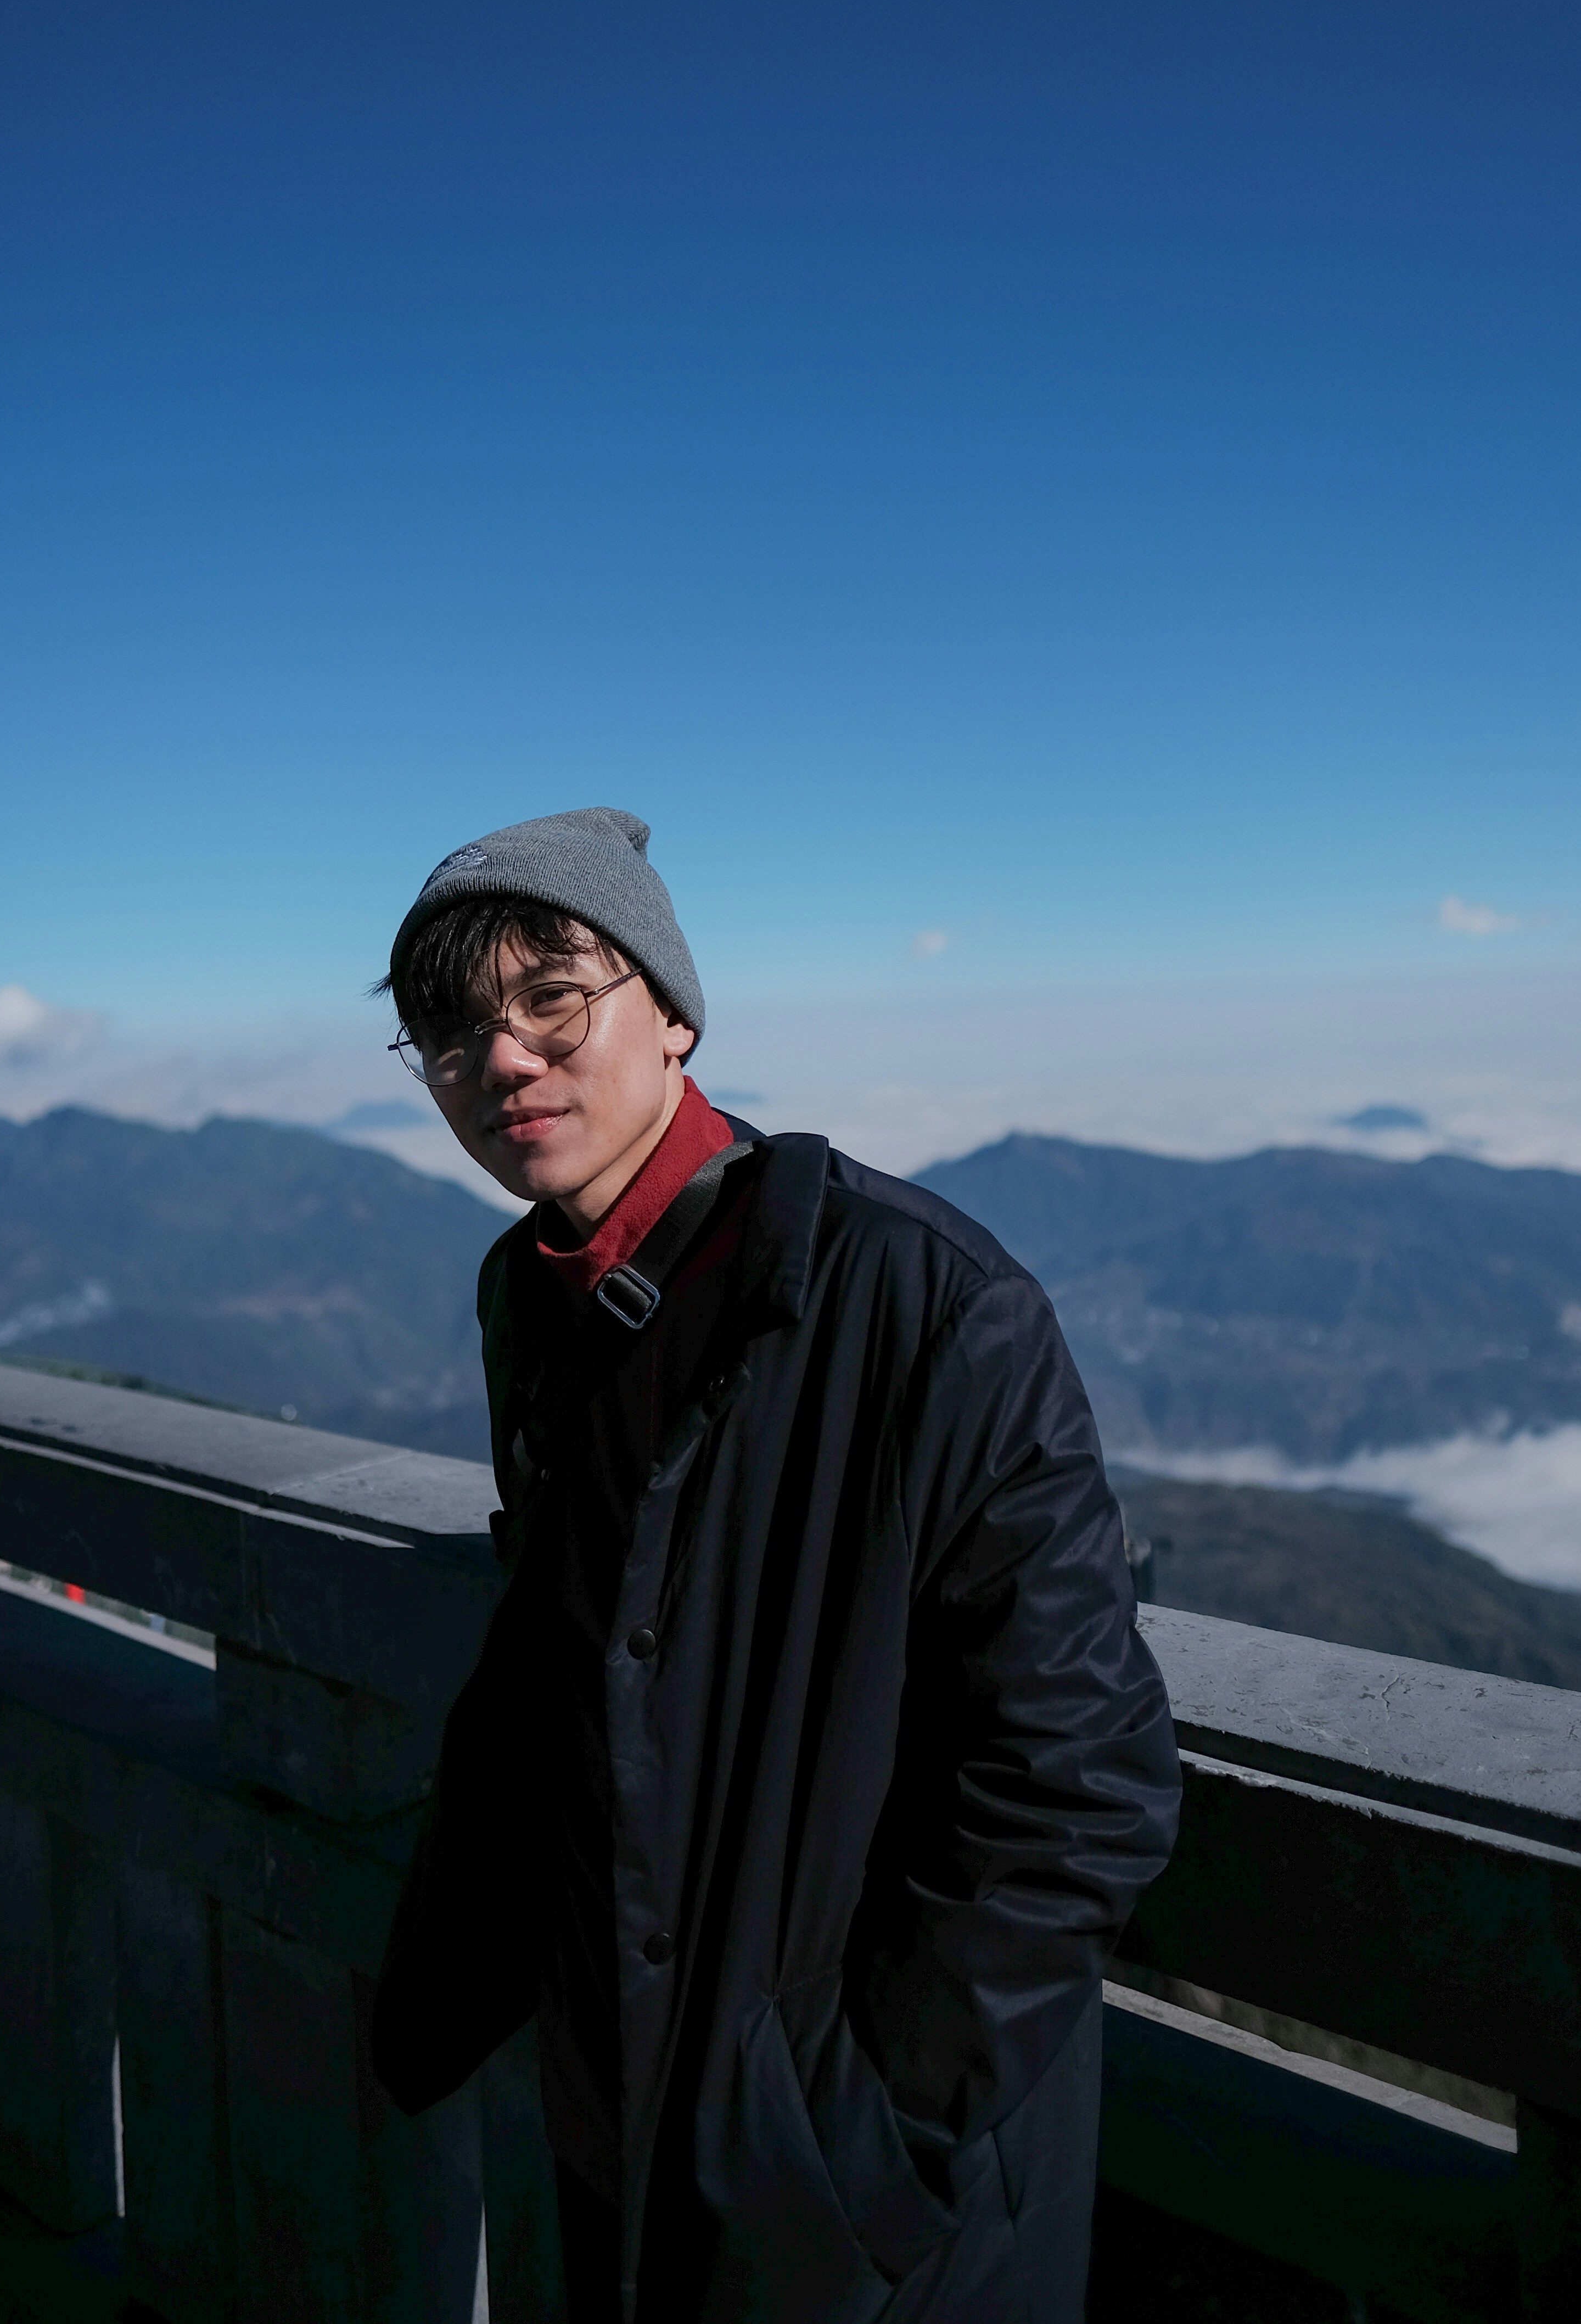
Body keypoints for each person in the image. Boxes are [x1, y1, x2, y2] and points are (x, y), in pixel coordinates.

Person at [369, 807, 1181, 2324]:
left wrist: (851, 2142)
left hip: (866, 2212)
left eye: (554, 995)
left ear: (670, 1016)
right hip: (633, 2110)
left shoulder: (927, 1306)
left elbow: (1079, 1783)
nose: (505, 1059)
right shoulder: (532, 1294)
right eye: (452, 1030)